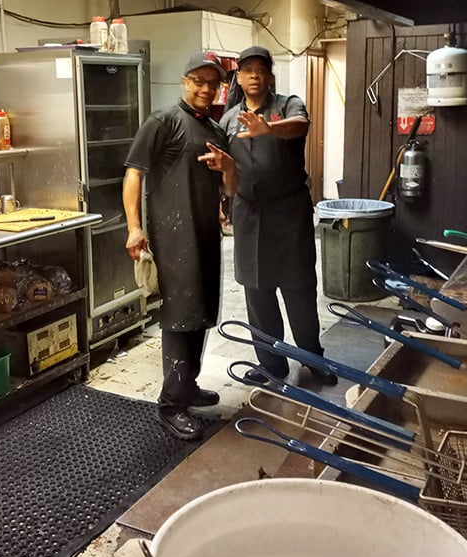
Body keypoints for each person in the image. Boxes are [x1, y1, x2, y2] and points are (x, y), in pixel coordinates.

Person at [123, 53, 237, 441]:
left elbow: (227, 186)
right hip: (173, 235)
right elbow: (134, 174)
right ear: (185, 81)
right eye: (198, 81)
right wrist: (134, 227)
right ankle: (171, 404)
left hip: (205, 233)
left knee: (201, 311)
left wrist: (227, 171)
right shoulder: (164, 121)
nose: (206, 89)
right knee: (179, 314)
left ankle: (188, 385)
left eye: (213, 84)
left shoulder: (215, 129)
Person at [219, 45, 337, 386]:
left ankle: (313, 359)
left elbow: (301, 125)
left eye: (261, 70)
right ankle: (271, 364)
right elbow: (226, 169)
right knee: (257, 293)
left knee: (299, 288)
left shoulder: (288, 105)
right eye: (248, 70)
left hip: (289, 213)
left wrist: (268, 128)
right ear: (239, 77)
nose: (255, 75)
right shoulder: (228, 120)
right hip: (249, 215)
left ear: (270, 76)